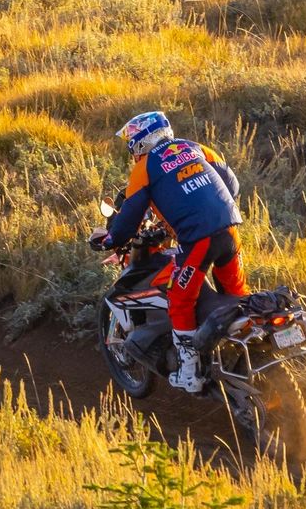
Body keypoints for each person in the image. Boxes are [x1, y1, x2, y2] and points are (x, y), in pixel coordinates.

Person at [90, 110, 244, 393]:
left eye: (131, 142)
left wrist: (111, 240)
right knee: (235, 296)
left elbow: (129, 215)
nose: (131, 149)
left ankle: (190, 372)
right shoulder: (195, 147)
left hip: (199, 240)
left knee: (180, 299)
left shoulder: (146, 167)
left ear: (140, 141)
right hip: (230, 231)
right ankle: (239, 354)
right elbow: (232, 184)